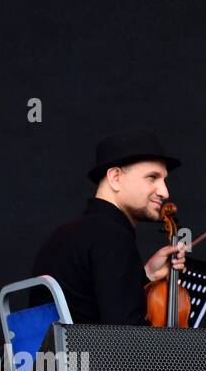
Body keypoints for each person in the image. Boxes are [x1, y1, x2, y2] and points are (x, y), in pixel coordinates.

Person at [33, 130, 185, 325]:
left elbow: (90, 301)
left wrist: (146, 274)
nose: (165, 192)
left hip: (57, 355)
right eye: (152, 177)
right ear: (115, 177)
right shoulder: (113, 237)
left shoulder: (65, 235)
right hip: (92, 355)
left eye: (164, 180)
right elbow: (123, 338)